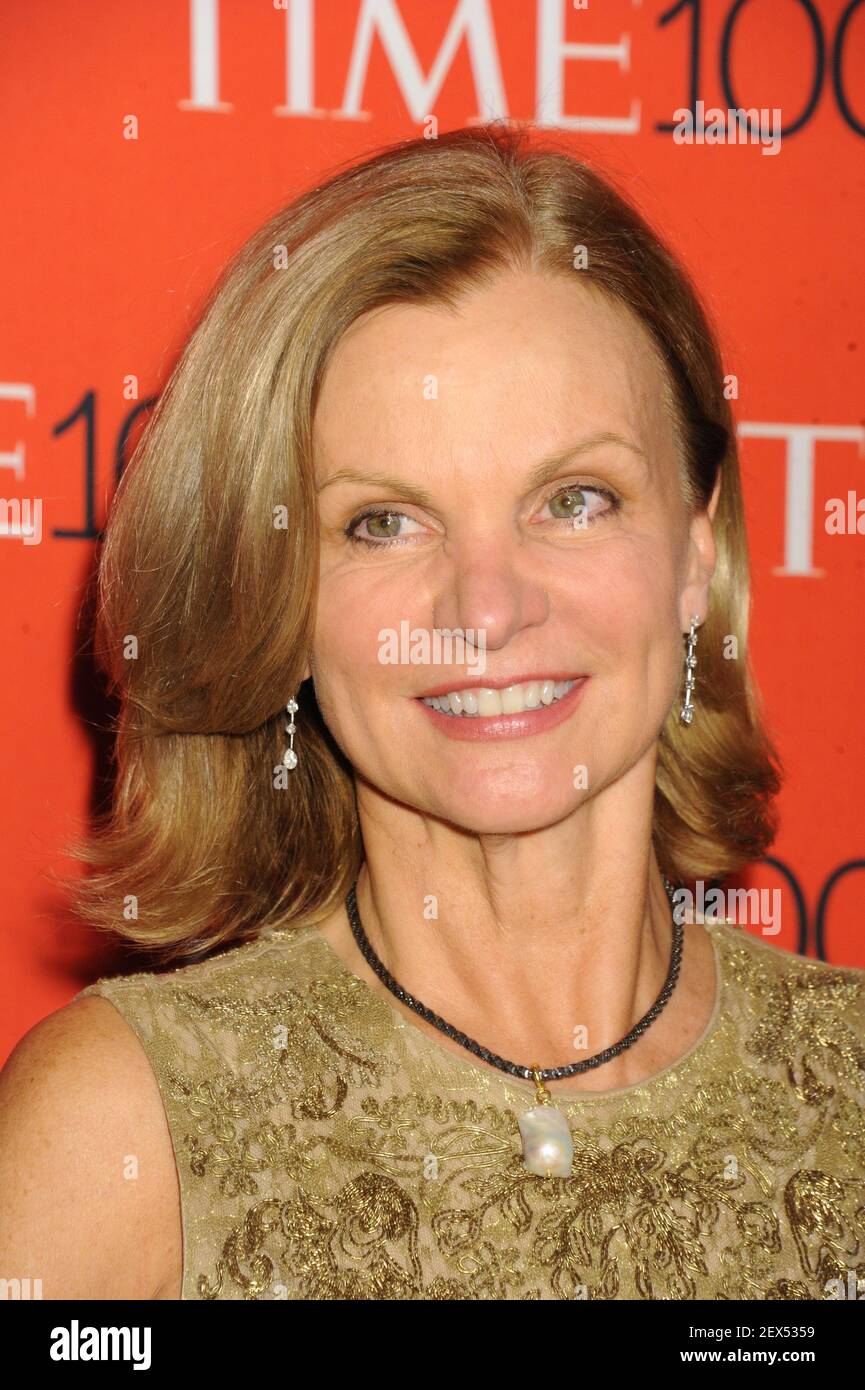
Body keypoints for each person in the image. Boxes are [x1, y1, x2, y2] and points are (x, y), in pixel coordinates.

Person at [1, 124, 862, 1302]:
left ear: (691, 558)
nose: (486, 607)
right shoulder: (121, 1127)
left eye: (574, 498)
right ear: (281, 600)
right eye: (383, 522)